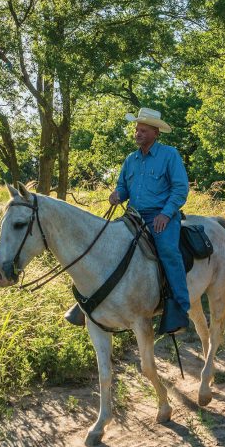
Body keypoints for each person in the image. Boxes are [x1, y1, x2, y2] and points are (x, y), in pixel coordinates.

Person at [64, 107, 191, 334]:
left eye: (143, 130)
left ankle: (179, 309)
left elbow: (180, 188)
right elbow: (123, 186)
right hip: (133, 215)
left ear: (155, 133)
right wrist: (118, 195)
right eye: (136, 129)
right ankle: (89, 300)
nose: (138, 133)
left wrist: (166, 213)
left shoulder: (169, 155)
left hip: (161, 216)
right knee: (106, 245)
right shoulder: (131, 159)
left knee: (168, 252)